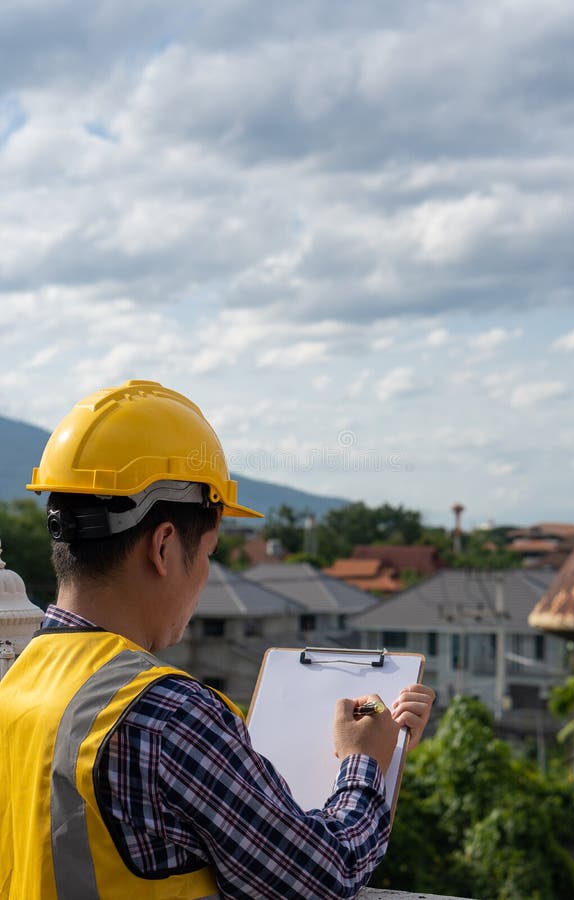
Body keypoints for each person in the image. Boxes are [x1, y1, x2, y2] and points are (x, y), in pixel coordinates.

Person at [0, 379, 434, 900]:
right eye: (207, 553)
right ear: (163, 547)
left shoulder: (15, 685)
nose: (205, 575)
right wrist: (366, 762)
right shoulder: (166, 715)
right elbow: (324, 876)